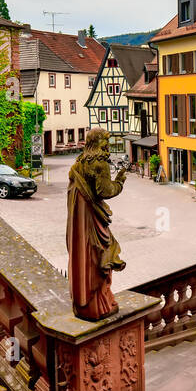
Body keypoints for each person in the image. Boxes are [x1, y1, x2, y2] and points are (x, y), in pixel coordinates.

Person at [65, 129, 128, 320]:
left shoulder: (81, 161)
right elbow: (104, 191)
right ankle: (97, 304)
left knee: (85, 252)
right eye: (106, 142)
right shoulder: (99, 162)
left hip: (80, 216)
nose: (107, 146)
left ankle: (88, 301)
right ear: (99, 142)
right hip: (91, 218)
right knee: (101, 251)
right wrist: (119, 182)